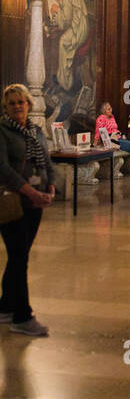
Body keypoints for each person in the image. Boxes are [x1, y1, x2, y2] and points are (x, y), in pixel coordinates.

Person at [0, 84, 55, 336]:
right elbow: (3, 169)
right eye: (12, 103)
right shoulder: (2, 131)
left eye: (21, 102)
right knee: (19, 256)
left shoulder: (35, 130)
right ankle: (22, 316)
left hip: (36, 201)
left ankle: (6, 306)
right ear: (6, 107)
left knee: (19, 255)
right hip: (14, 201)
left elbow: (46, 160)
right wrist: (30, 191)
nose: (18, 106)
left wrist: (51, 188)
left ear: (28, 105)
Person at [94, 102, 130, 178]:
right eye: (108, 109)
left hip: (118, 138)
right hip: (111, 140)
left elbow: (115, 129)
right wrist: (95, 143)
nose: (111, 110)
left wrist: (121, 135)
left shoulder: (112, 117)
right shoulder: (101, 118)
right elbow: (98, 131)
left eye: (111, 108)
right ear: (104, 111)